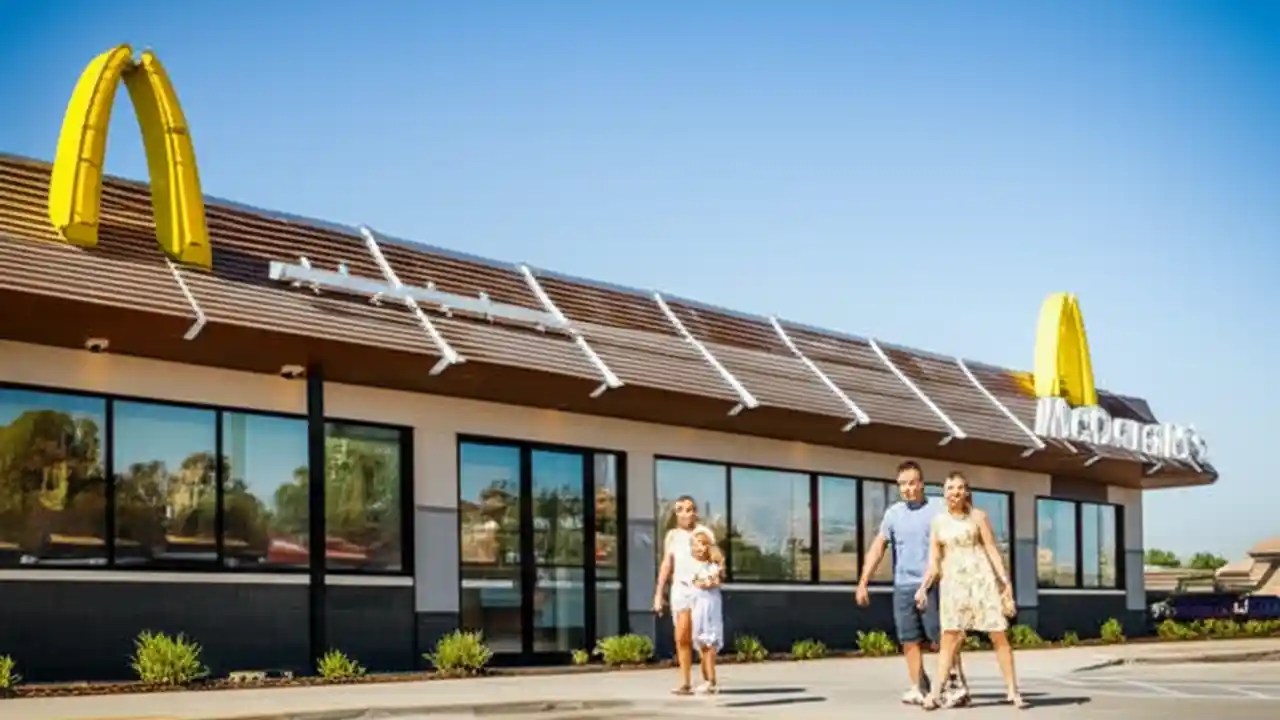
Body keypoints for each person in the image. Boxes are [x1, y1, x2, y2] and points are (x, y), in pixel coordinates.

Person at [856, 460, 968, 706]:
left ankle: (954, 685)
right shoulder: (893, 514)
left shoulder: (938, 508)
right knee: (909, 638)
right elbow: (878, 547)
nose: (907, 489)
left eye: (912, 483)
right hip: (904, 585)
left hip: (934, 584)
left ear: (922, 484)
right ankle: (919, 686)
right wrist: (864, 580)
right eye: (902, 485)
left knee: (941, 638)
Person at [916, 471, 1027, 710]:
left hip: (981, 580)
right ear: (943, 493)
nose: (954, 492)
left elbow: (992, 550)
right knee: (949, 637)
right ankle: (935, 693)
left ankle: (1012, 691)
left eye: (959, 488)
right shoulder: (938, 521)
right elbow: (934, 560)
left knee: (998, 634)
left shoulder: (978, 517)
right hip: (953, 584)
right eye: (949, 488)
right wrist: (924, 587)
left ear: (966, 491)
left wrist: (1004, 582)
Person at [652, 495, 716, 696]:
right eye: (680, 509)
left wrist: (712, 579)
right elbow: (666, 565)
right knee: (682, 636)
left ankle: (709, 679)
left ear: (695, 512)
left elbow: (715, 559)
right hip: (680, 590)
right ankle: (685, 682)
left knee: (702, 637)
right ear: (676, 513)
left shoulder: (704, 533)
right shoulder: (672, 536)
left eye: (689, 509)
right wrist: (658, 593)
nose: (685, 513)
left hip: (702, 590)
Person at [689, 528, 725, 694]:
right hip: (697, 608)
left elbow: (714, 581)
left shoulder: (713, 567)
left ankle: (710, 679)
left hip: (709, 608)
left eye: (702, 544)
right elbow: (694, 582)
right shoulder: (691, 566)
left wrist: (709, 581)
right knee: (701, 645)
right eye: (695, 545)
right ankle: (707, 679)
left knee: (708, 644)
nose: (699, 548)